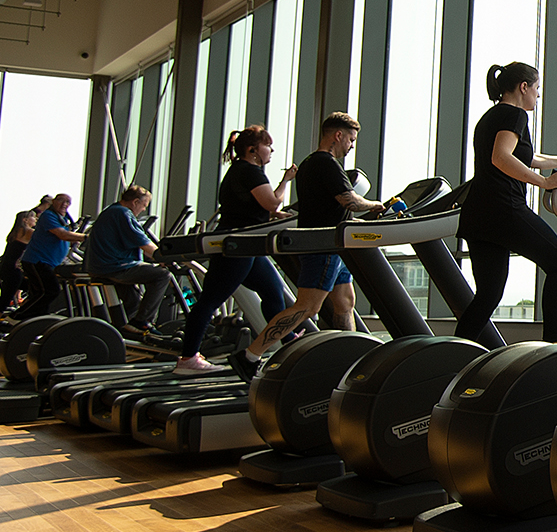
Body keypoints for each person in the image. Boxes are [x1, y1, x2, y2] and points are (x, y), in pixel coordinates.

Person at [230, 113, 384, 379]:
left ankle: (348, 359)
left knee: (345, 302)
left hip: (335, 247)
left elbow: (331, 206)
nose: (351, 145)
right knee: (307, 306)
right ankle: (249, 356)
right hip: (324, 245)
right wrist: (377, 205)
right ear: (338, 135)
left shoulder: (310, 163)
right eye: (351, 139)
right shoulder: (327, 164)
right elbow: (350, 201)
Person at [456, 62, 557, 344]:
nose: (538, 95)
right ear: (524, 87)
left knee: (488, 295)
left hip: (478, 215)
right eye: (537, 88)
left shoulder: (492, 116)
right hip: (503, 207)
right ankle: (552, 344)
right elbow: (501, 157)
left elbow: (524, 156)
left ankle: (453, 354)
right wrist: (545, 182)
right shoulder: (515, 115)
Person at [172, 126, 296, 376]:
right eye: (268, 146)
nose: (271, 150)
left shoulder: (240, 171)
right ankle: (187, 358)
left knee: (274, 293)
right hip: (237, 245)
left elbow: (252, 207)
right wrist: (285, 182)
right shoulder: (250, 171)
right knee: (210, 300)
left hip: (247, 244)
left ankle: (292, 345)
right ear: (253, 150)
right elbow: (272, 201)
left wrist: (277, 214)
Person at [86, 186, 176, 338]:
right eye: (143, 206)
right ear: (135, 202)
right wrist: (163, 257)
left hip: (103, 266)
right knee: (162, 275)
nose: (142, 210)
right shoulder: (123, 213)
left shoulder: (111, 210)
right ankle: (142, 322)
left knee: (135, 301)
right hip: (115, 267)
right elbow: (143, 242)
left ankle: (126, 332)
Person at [0, 197, 47, 338]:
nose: (35, 220)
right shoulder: (27, 232)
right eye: (33, 218)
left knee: (35, 290)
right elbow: (44, 238)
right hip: (13, 270)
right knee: (6, 299)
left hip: (6, 269)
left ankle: (18, 317)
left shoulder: (16, 231)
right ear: (25, 220)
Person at [15, 193, 82, 321]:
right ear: (53, 202)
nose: (64, 204)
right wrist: (85, 237)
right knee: (50, 291)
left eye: (68, 202)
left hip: (49, 262)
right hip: (38, 261)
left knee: (40, 294)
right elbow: (62, 234)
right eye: (61, 200)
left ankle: (35, 320)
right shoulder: (48, 216)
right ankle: (17, 317)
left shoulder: (61, 218)